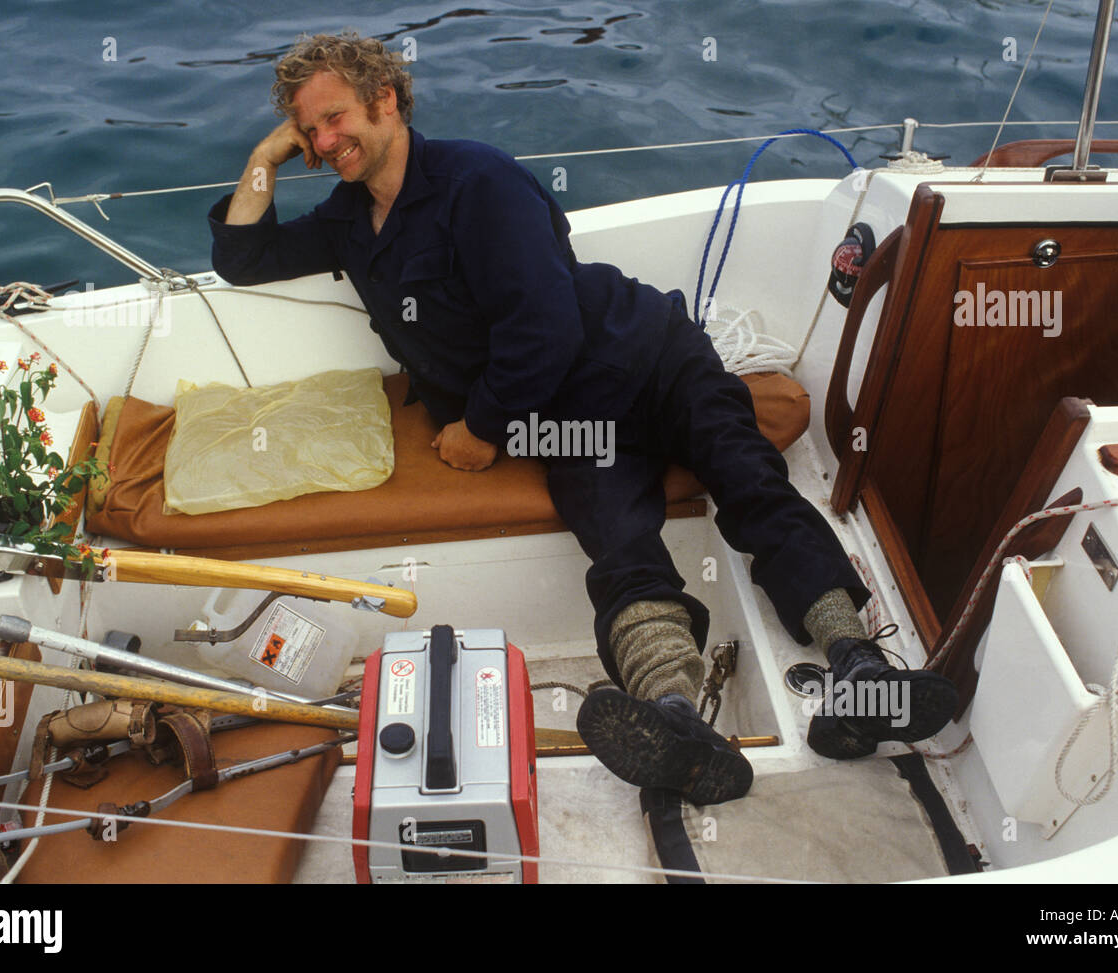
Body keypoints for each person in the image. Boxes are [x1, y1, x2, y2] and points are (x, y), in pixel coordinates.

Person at [208, 31, 958, 806]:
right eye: (311, 132)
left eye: (335, 120)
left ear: (386, 100)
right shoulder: (348, 217)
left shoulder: (479, 182)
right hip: (566, 417)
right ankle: (674, 714)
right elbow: (241, 256)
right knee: (614, 537)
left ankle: (860, 664)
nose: (327, 144)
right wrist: (268, 150)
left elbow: (545, 331)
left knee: (746, 476)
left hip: (648, 355)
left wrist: (482, 429)